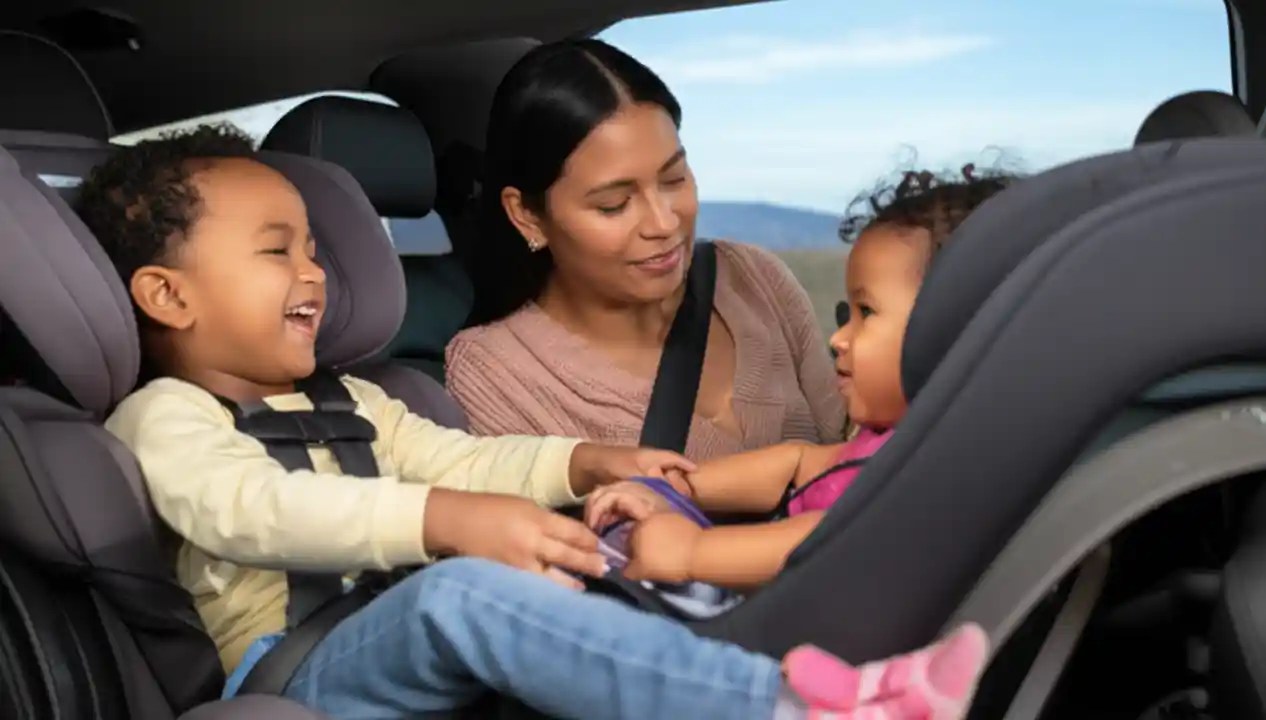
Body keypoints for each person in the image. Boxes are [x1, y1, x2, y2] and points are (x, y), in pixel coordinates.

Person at [78, 125, 989, 719]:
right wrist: (440, 523)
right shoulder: (162, 419)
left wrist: (582, 466)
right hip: (294, 673)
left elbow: (455, 458)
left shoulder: (349, 402)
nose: (315, 274)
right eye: (278, 252)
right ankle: (797, 707)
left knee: (576, 567)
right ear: (168, 294)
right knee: (462, 590)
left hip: (387, 631)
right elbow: (252, 510)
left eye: (316, 250)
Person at [586, 166, 1017, 590]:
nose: (840, 338)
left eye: (866, 313)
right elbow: (795, 463)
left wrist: (693, 552)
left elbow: (836, 537)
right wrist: (675, 488)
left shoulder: (942, 475)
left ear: (958, 333)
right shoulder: (887, 444)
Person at [445, 38, 846, 461]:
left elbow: (853, 452)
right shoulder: (496, 372)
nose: (664, 223)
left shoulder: (754, 278)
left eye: (674, 179)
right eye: (613, 205)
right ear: (527, 215)